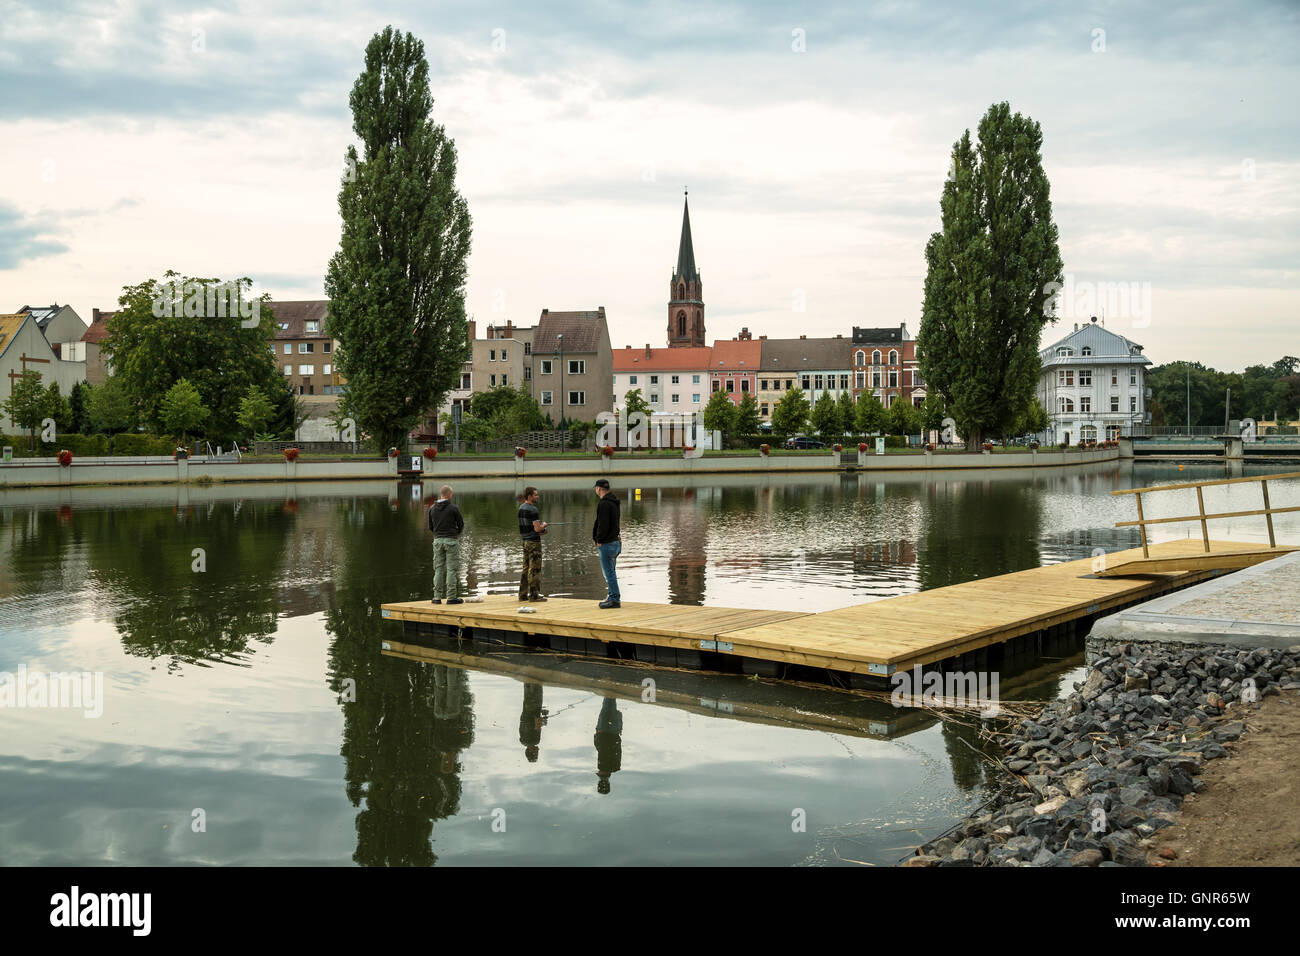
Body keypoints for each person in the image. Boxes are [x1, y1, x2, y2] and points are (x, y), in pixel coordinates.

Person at [427, 484, 464, 604]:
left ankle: (437, 597)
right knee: (451, 569)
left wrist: (438, 535)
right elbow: (461, 524)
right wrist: (455, 534)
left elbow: (430, 527)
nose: (451, 496)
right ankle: (451, 597)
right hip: (451, 541)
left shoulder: (432, 508)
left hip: (437, 541)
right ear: (448, 494)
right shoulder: (453, 508)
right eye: (451, 494)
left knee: (438, 569)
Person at [592, 478, 621, 608]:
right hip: (615, 542)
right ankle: (611, 595)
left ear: (598, 489)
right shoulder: (614, 502)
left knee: (609, 573)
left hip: (607, 544)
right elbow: (615, 522)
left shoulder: (604, 504)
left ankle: (614, 599)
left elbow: (603, 524)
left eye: (596, 489)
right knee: (611, 571)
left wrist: (600, 540)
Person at [517, 486, 548, 602]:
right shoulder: (533, 509)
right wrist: (543, 526)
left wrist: (541, 531)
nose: (537, 496)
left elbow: (529, 528)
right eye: (535, 495)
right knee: (534, 569)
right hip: (534, 543)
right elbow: (536, 528)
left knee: (525, 568)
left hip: (525, 542)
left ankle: (522, 594)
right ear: (529, 496)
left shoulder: (521, 508)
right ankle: (534, 595)